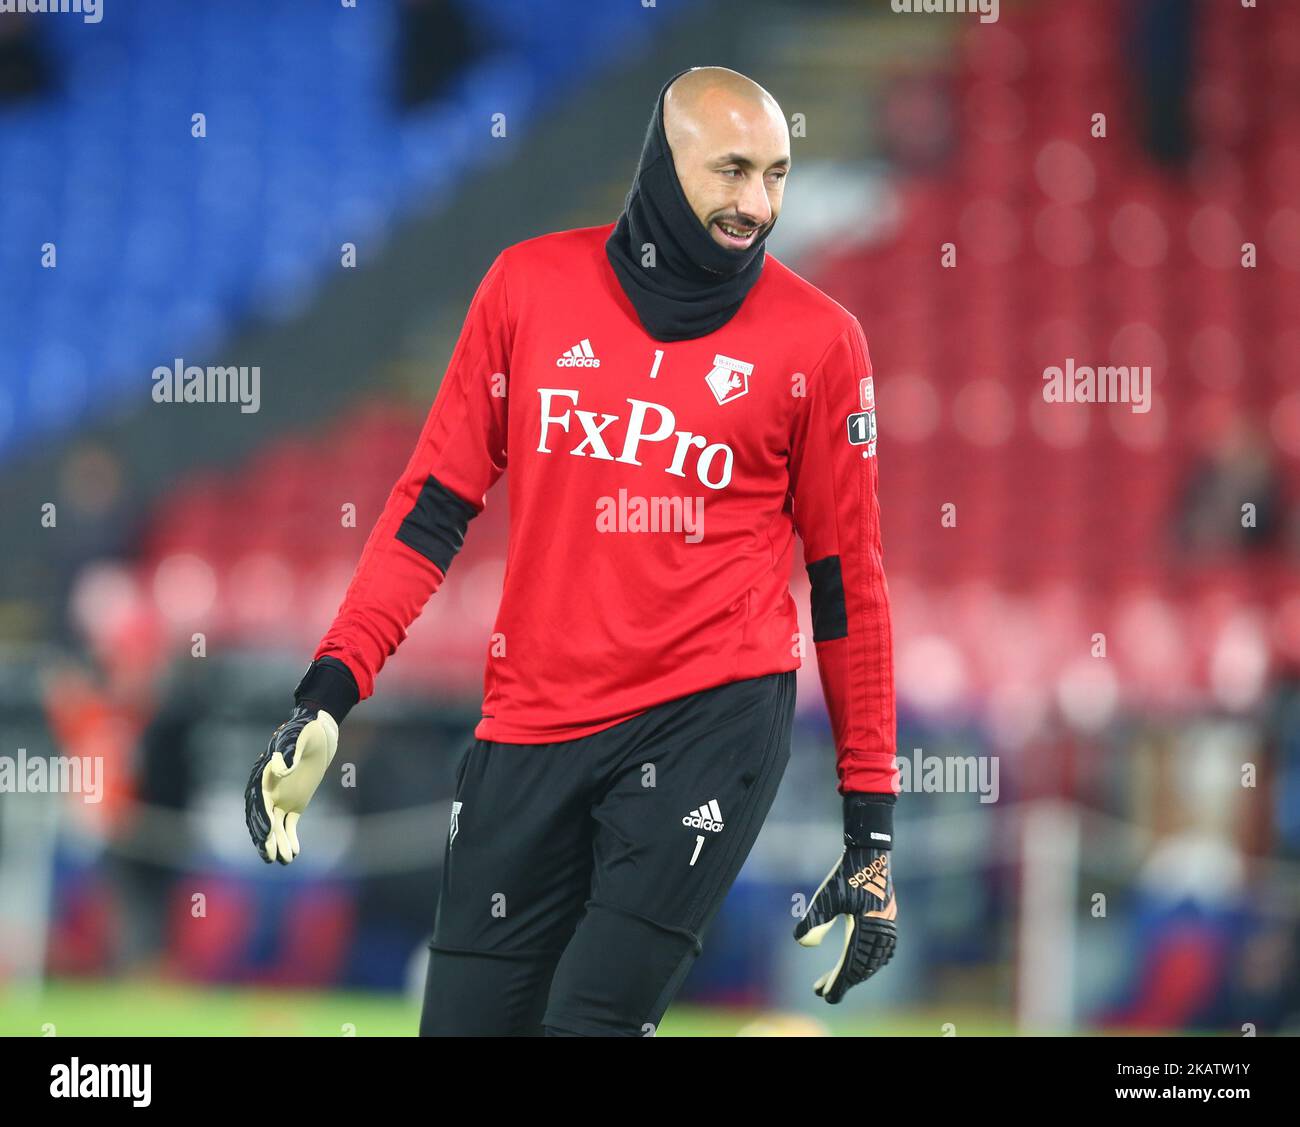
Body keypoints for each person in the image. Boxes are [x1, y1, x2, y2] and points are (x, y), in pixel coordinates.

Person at [245, 66, 899, 1037]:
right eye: (731, 171)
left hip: (706, 721)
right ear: (663, 162)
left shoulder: (821, 342)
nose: (755, 204)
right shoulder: (526, 286)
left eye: (777, 174)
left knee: (587, 1021)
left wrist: (871, 828)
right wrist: (328, 688)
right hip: (528, 723)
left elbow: (847, 586)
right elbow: (428, 509)